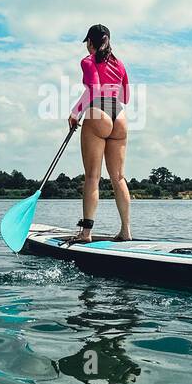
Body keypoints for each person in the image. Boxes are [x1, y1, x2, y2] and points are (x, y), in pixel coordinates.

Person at [67, 24, 131, 243]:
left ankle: (86, 233)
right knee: (118, 177)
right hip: (120, 116)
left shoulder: (88, 61)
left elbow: (93, 90)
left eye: (87, 42)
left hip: (99, 114)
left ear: (91, 43)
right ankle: (126, 231)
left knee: (93, 177)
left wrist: (75, 113)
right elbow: (126, 97)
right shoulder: (120, 63)